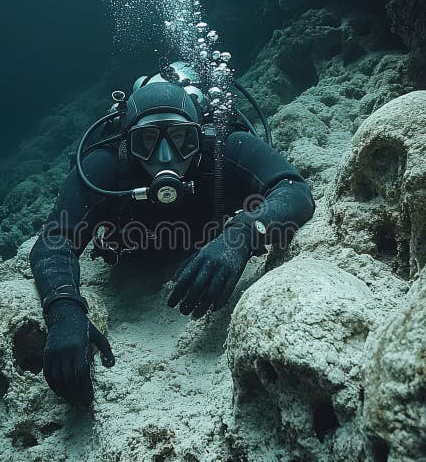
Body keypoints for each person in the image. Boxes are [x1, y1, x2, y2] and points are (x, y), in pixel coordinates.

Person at [29, 65, 315, 405]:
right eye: (147, 141)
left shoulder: (226, 147)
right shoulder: (104, 165)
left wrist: (239, 237)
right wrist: (63, 309)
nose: (165, 157)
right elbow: (55, 241)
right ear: (127, 143)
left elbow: (294, 191)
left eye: (181, 138)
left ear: (201, 135)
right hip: (129, 256)